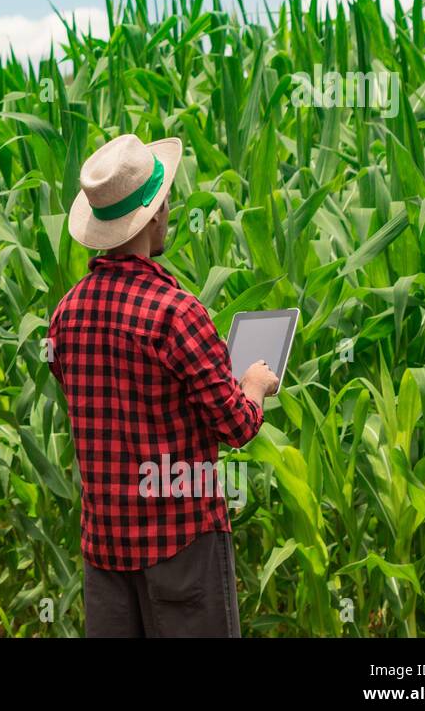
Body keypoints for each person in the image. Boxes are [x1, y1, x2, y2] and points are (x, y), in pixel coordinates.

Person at [47, 133, 279, 637]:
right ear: (156, 213)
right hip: (181, 545)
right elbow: (235, 424)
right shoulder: (177, 314)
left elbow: (94, 401)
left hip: (106, 550)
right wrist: (255, 384)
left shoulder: (66, 316)